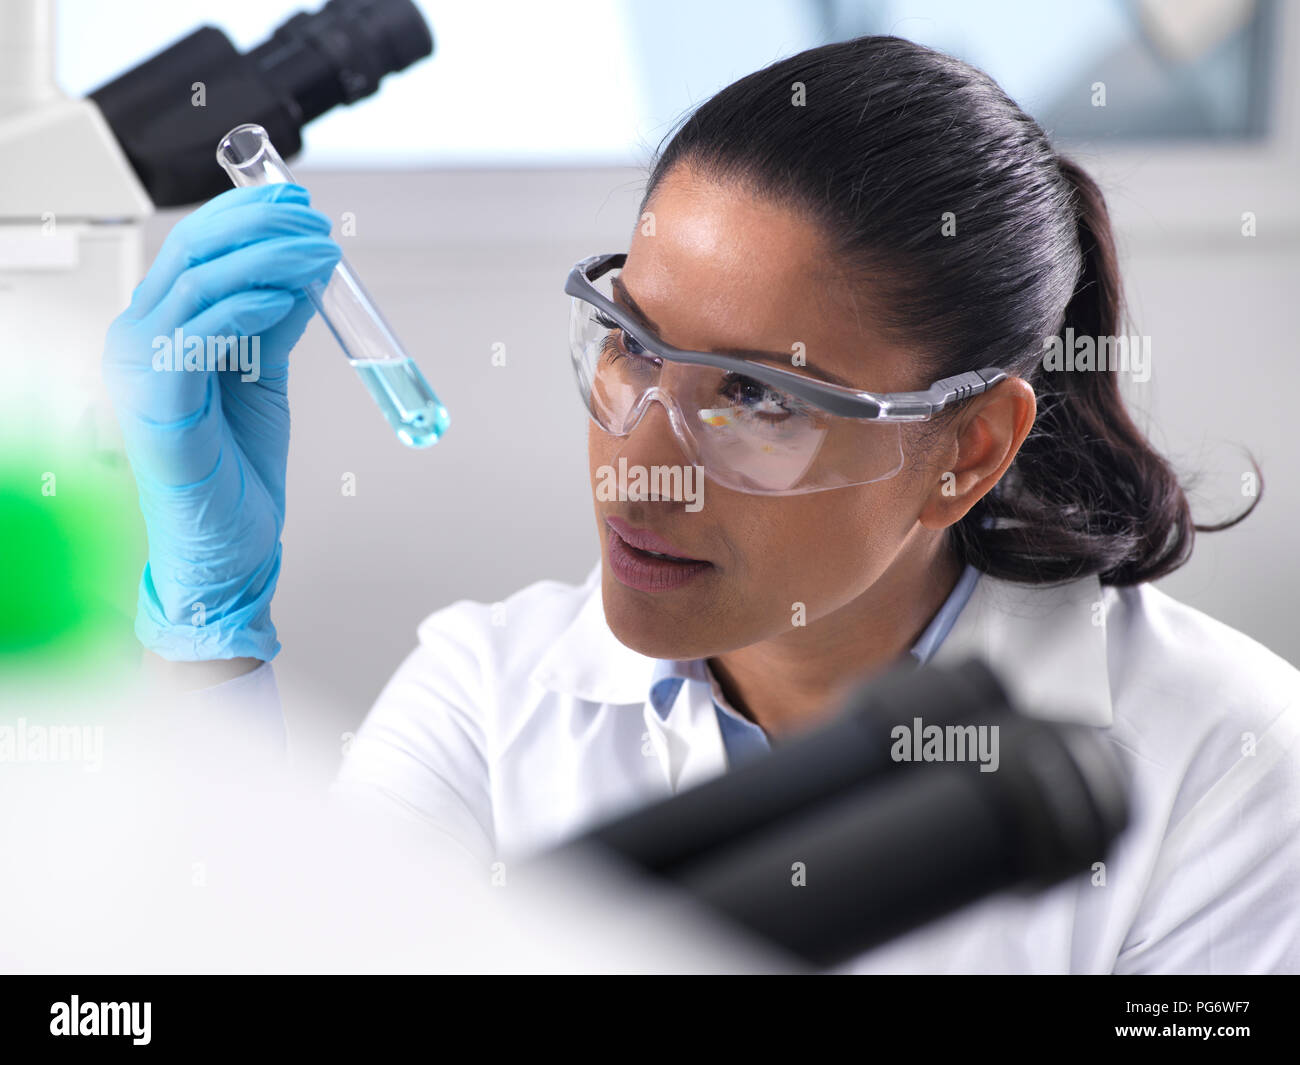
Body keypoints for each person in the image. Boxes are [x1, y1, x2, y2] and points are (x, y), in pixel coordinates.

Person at [103, 35, 1300, 973]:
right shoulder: (485, 695)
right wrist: (209, 640)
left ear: (966, 451)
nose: (637, 465)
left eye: (756, 396)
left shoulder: (1228, 753)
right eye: (630, 340)